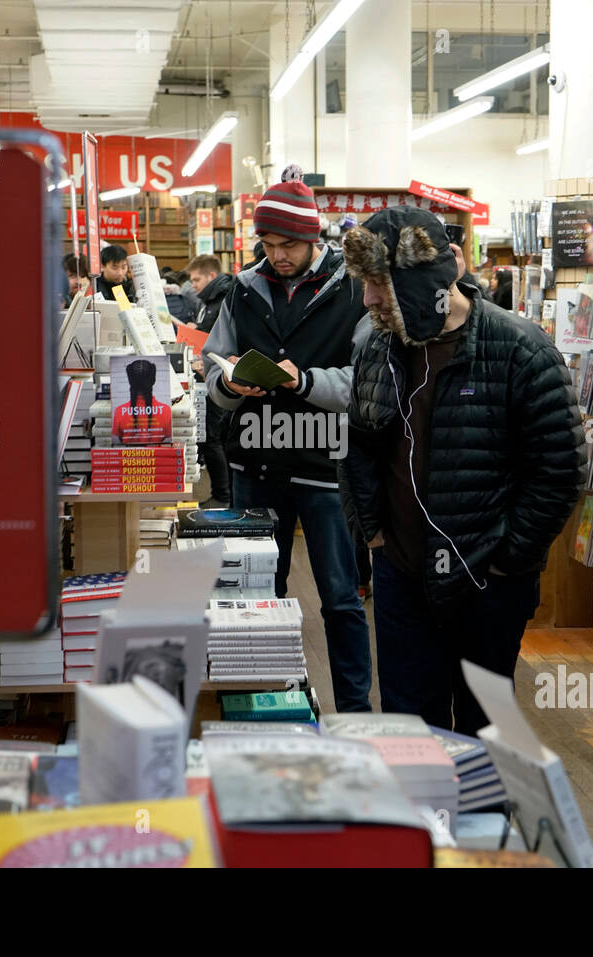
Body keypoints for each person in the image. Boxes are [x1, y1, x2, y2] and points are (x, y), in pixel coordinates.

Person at [338, 206, 586, 734]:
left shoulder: (518, 347)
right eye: (364, 284)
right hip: (401, 572)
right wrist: (374, 535)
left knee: (485, 727)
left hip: (487, 580)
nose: (369, 299)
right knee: (409, 725)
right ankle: (425, 820)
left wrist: (509, 558)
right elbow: (358, 444)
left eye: (380, 283)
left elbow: (560, 469)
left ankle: (483, 820)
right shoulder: (375, 344)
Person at [202, 165, 374, 713]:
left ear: (313, 238)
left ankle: (352, 712)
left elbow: (365, 385)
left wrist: (303, 381)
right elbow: (212, 367)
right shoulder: (242, 291)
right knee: (257, 601)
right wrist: (229, 383)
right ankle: (263, 703)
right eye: (270, 244)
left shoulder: (353, 293)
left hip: (326, 468)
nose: (278, 255)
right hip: (256, 466)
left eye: (290, 245)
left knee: (342, 601)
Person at [187, 254, 237, 507]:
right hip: (209, 372)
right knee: (213, 437)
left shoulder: (223, 300)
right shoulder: (208, 301)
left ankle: (223, 495)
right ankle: (223, 493)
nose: (193, 285)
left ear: (211, 276)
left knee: (213, 437)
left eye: (197, 279)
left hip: (219, 376)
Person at [112, 358, 171, 445]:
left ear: (130, 381)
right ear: (153, 380)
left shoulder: (119, 411)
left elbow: (118, 440)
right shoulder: (166, 411)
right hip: (157, 457)